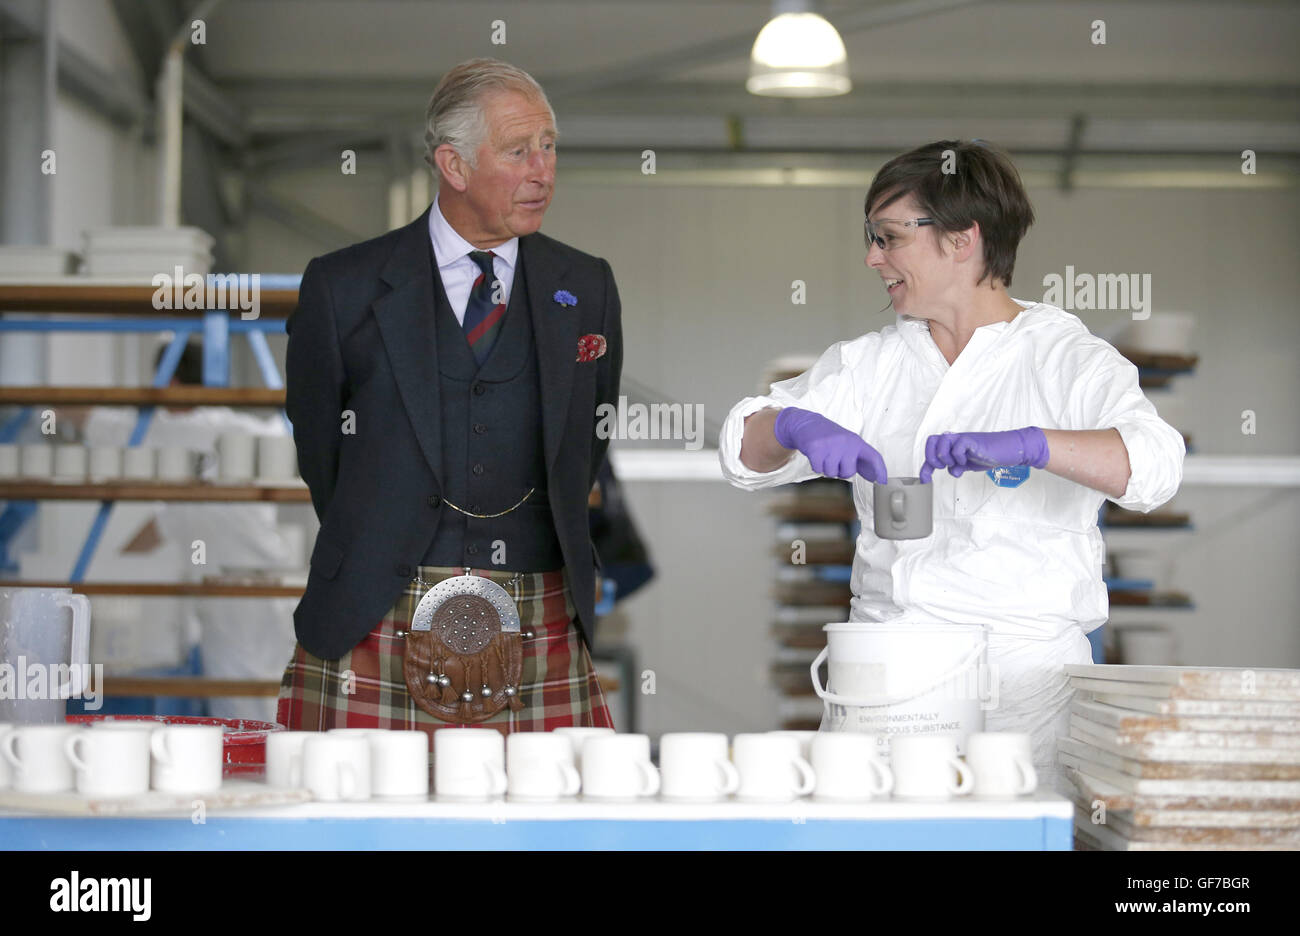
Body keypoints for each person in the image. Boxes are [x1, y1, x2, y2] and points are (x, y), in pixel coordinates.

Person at [718, 139, 1184, 795]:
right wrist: (793, 423)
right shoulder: (873, 364)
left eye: (887, 237)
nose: (871, 257)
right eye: (870, 237)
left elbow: (1157, 466)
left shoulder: (1064, 358)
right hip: (886, 677)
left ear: (963, 239)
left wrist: (1035, 444)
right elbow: (741, 450)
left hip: (1024, 690)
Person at [279, 58, 623, 737]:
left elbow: (586, 446)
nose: (543, 171)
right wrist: (387, 532)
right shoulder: (341, 288)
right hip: (374, 607)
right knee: (356, 838)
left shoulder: (587, 287)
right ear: (453, 165)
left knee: (545, 839)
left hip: (539, 605)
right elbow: (321, 454)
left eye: (549, 147)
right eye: (519, 151)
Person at [80, 340, 299, 722]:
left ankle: (254, 768)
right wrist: (118, 564)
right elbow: (169, 520)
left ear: (174, 384)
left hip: (232, 592)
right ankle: (272, 763)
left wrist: (47, 409)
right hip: (269, 588)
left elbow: (97, 421)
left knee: (238, 698)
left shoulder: (173, 431)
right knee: (269, 691)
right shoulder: (244, 431)